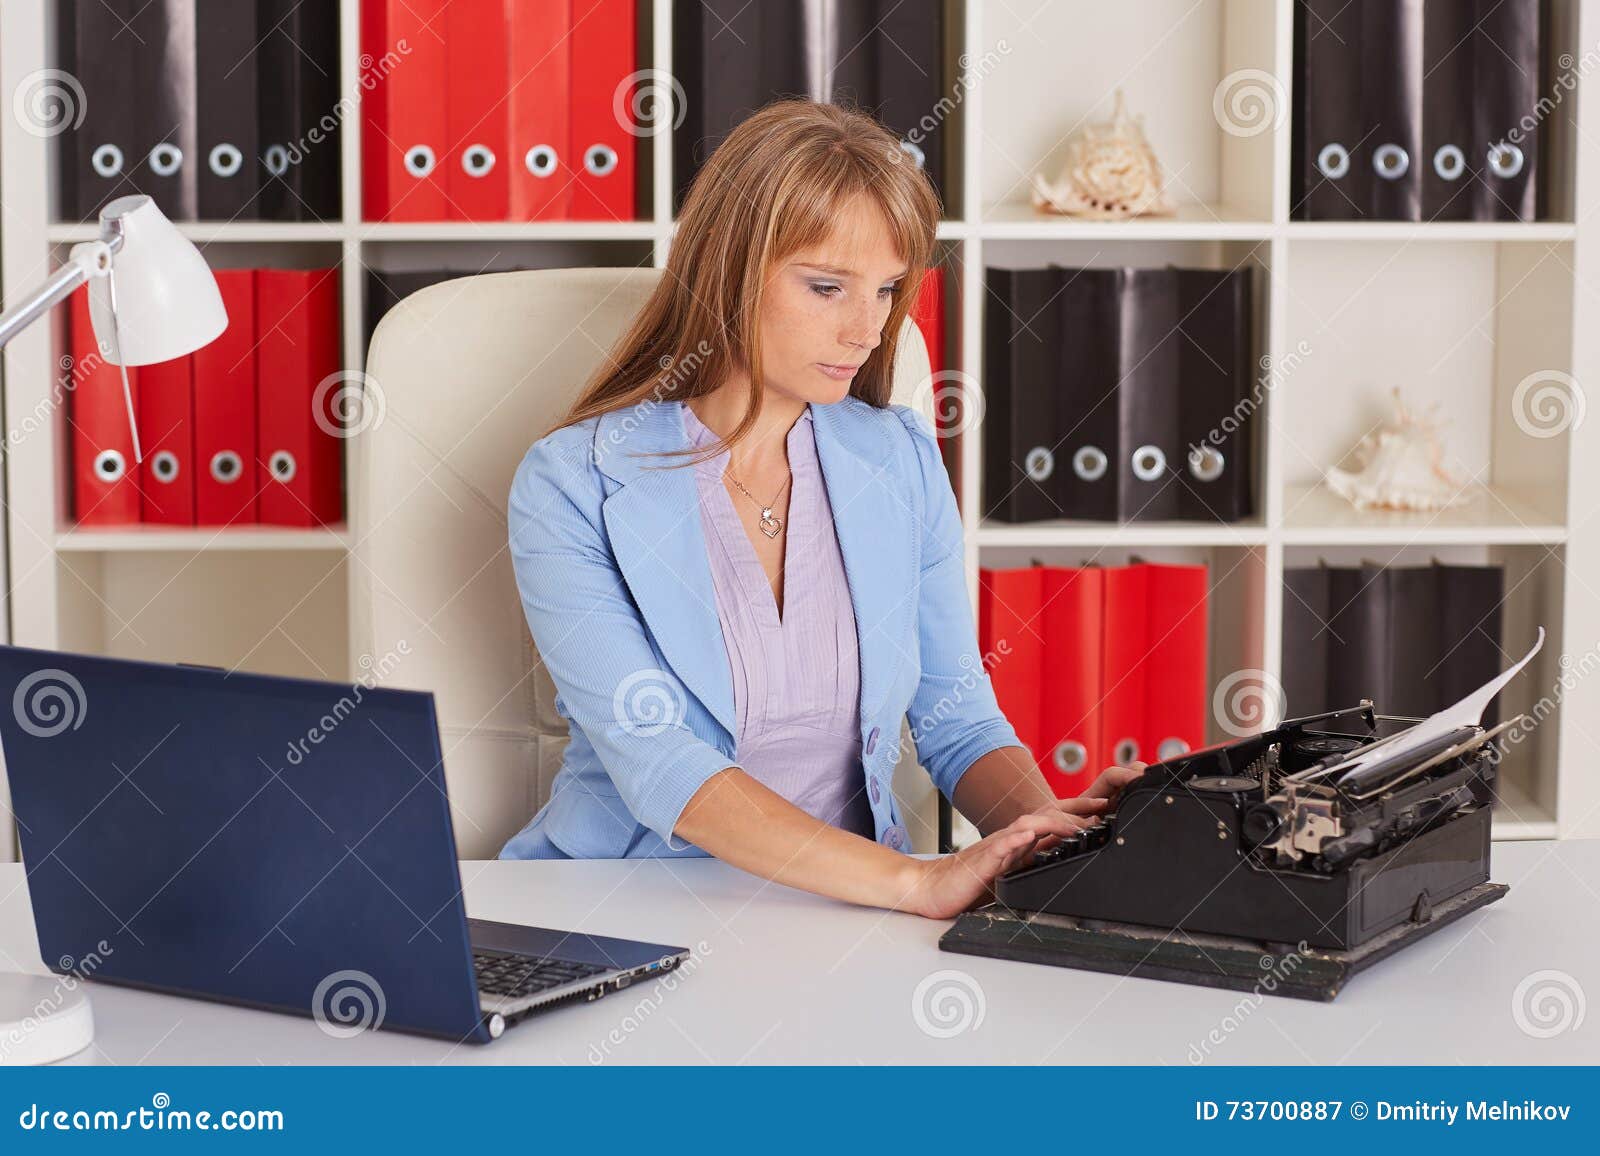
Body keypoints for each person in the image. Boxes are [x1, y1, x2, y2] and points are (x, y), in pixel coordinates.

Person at [498, 99, 1143, 918]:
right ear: (730, 268)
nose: (868, 329)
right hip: (627, 903)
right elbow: (660, 762)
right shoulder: (571, 482)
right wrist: (916, 881)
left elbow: (959, 718)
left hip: (839, 911)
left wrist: (1054, 838)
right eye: (828, 286)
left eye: (886, 290)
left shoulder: (899, 458)